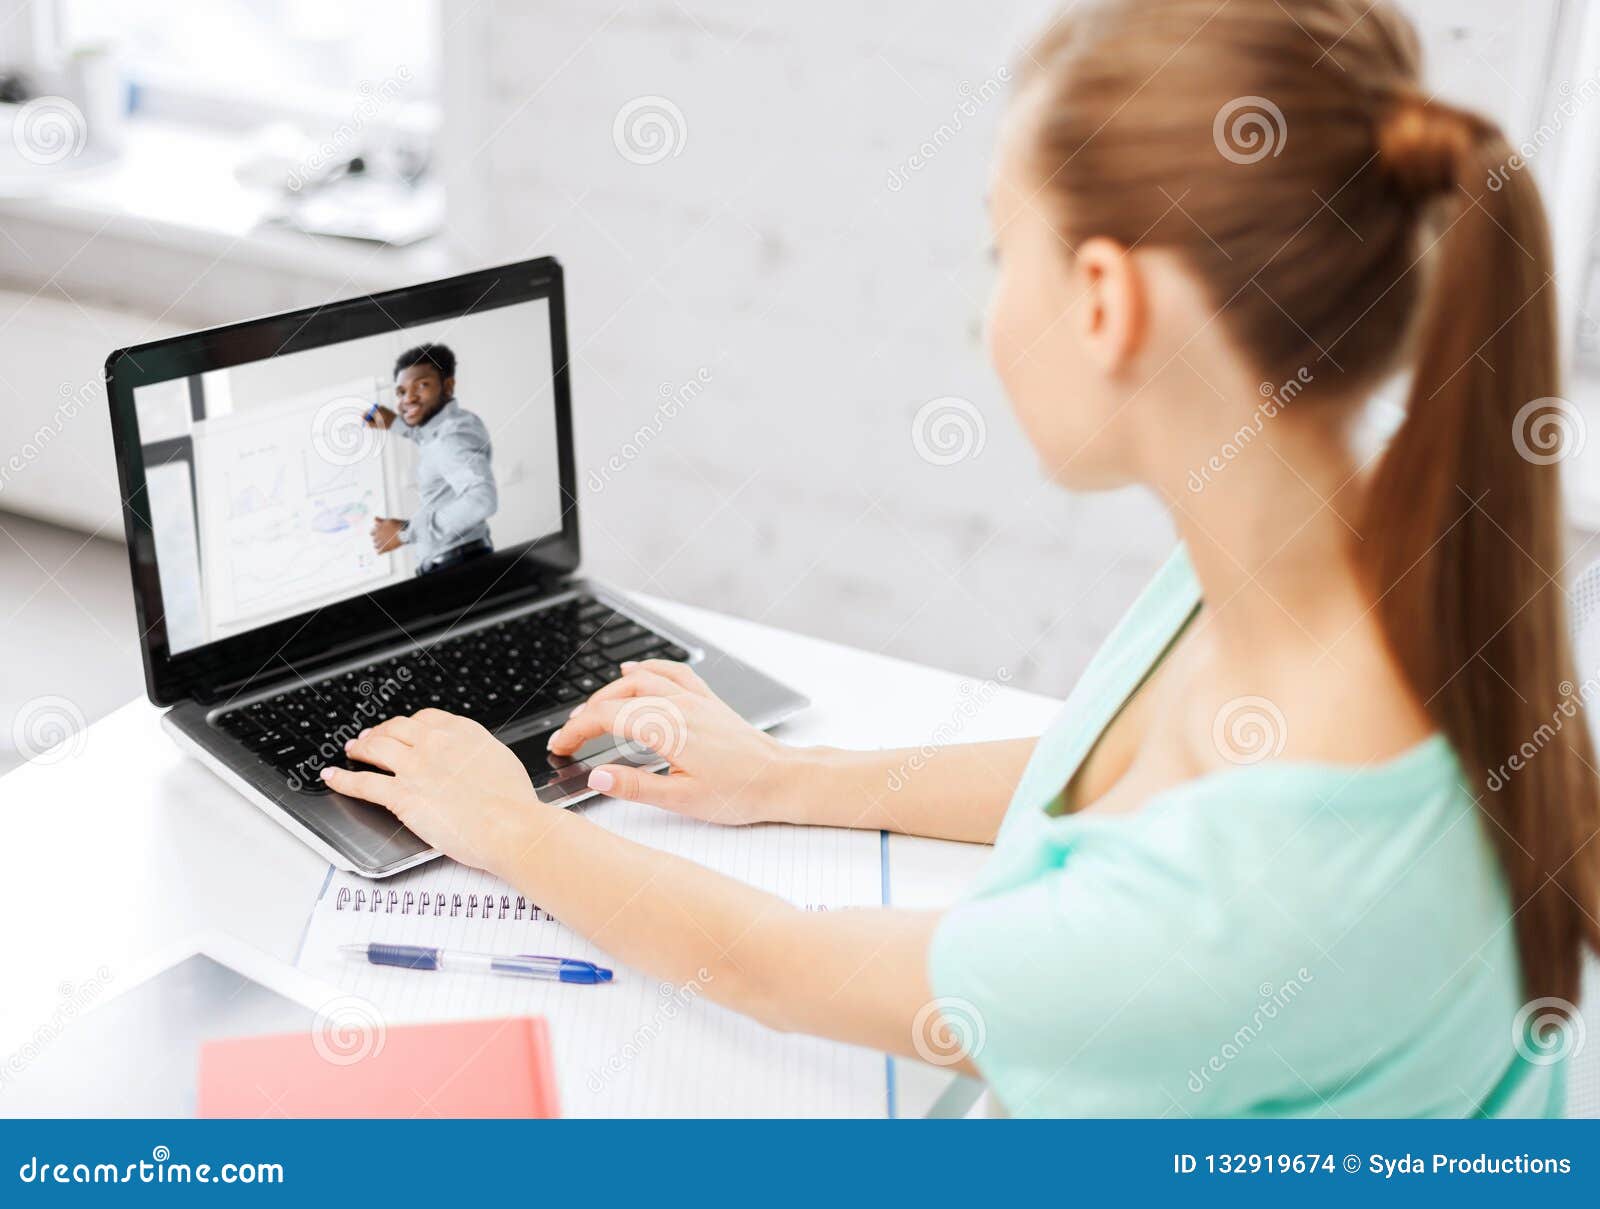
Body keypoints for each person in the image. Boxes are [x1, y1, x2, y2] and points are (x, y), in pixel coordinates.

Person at [322, 0, 1600, 1116]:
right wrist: (790, 779)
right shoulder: (1363, 539)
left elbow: (776, 966)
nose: (988, 310)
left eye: (1005, 253)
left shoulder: (1250, 903)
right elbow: (1098, 776)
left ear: (1105, 301)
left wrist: (508, 828)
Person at [366, 342, 498, 575]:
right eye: (402, 391)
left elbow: (482, 500)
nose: (408, 399)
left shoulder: (450, 439)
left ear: (447, 387)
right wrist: (396, 424)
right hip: (465, 558)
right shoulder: (458, 423)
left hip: (458, 567)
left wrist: (404, 533)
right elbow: (434, 443)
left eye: (422, 385)